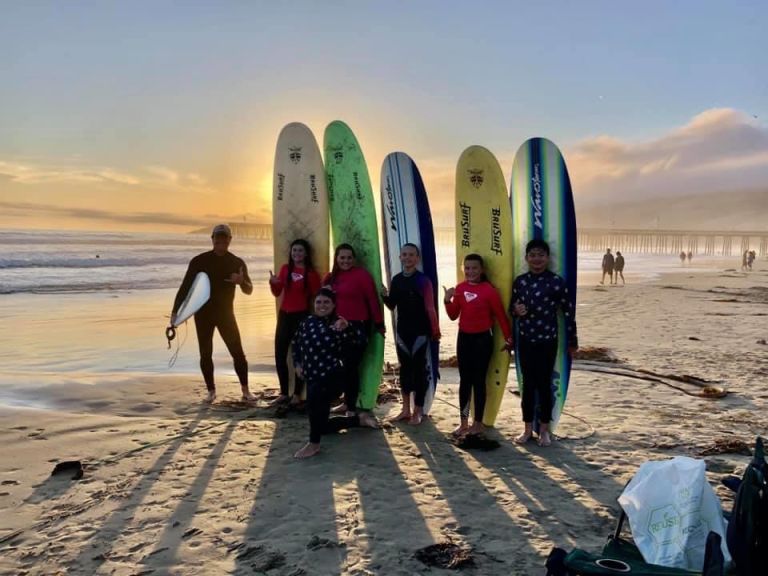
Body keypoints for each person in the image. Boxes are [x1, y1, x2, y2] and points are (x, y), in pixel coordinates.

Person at [171, 224, 254, 404]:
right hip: (203, 315)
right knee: (205, 353)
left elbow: (249, 290)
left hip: (226, 315)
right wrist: (175, 312)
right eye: (218, 237)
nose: (221, 241)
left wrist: (241, 282)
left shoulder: (237, 262)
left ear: (230, 240)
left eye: (224, 238)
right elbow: (185, 288)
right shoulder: (199, 261)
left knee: (238, 353)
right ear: (212, 239)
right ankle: (211, 391)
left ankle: (246, 391)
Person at [292, 288, 378, 459]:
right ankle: (358, 420)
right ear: (314, 304)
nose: (322, 305)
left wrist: (348, 327)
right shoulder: (307, 321)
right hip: (312, 376)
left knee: (314, 407)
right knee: (322, 426)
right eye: (318, 302)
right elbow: (296, 344)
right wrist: (297, 364)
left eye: (326, 302)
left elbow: (361, 340)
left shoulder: (339, 323)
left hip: (331, 377)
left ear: (333, 305)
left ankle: (313, 445)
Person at [510, 239, 578, 447]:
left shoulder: (556, 282)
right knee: (527, 386)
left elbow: (568, 312)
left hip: (548, 341)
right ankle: (527, 429)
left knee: (544, 385)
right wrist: (516, 311)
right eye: (532, 255)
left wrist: (573, 341)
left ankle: (545, 430)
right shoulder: (520, 282)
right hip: (526, 341)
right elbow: (511, 308)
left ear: (548, 258)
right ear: (526, 258)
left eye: (541, 255)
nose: (536, 259)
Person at [444, 253, 512, 438]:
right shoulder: (460, 288)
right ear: (463, 269)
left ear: (481, 270)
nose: (470, 271)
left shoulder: (489, 290)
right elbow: (452, 315)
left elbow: (500, 316)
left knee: (479, 381)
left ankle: (478, 423)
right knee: (465, 381)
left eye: (474, 268)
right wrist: (446, 300)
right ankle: (464, 422)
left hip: (483, 339)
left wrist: (509, 339)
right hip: (464, 338)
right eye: (467, 268)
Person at [322, 244, 385, 415]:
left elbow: (372, 300)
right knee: (340, 367)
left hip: (358, 327)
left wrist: (379, 323)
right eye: (342, 257)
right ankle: (345, 402)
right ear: (336, 258)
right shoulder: (330, 278)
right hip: (336, 327)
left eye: (349, 257)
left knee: (351, 366)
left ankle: (350, 407)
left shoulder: (362, 275)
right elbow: (323, 303)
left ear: (354, 259)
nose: (346, 261)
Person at [381, 243, 441, 425]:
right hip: (402, 332)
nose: (407, 258)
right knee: (405, 370)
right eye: (404, 255)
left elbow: (430, 308)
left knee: (419, 371)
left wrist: (435, 330)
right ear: (399, 257)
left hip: (420, 332)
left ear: (417, 258)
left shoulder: (423, 281)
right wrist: (383, 294)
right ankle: (405, 409)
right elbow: (392, 305)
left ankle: (418, 410)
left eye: (411, 255)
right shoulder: (397, 280)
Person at [269, 239, 321, 407]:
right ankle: (284, 392)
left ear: (306, 254)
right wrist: (273, 284)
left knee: (300, 356)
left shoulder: (312, 275)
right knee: (279, 354)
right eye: (294, 250)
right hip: (285, 315)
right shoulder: (285, 269)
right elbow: (277, 293)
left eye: (300, 251)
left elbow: (318, 298)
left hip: (302, 317)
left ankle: (297, 394)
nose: (297, 253)